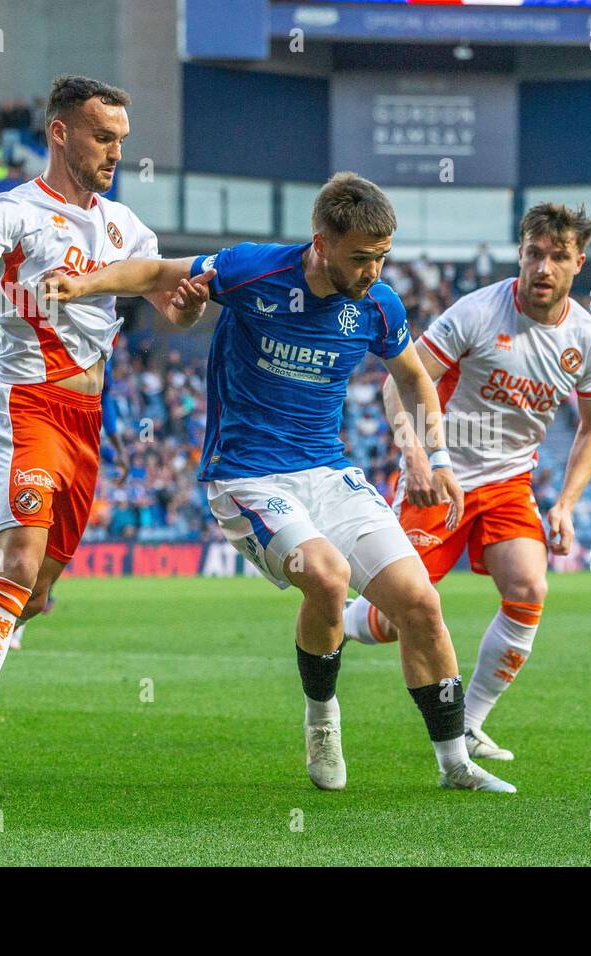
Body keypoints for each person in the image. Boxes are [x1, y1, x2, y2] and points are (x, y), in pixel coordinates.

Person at [39, 172, 515, 794]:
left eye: (383, 257)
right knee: (326, 575)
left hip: (327, 470)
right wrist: (82, 283)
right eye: (362, 258)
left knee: (420, 603)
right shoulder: (252, 270)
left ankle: (455, 763)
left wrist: (437, 456)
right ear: (320, 242)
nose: (374, 271)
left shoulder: (378, 305)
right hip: (246, 473)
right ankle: (322, 720)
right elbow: (155, 273)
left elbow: (414, 377)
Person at [0, 75, 209, 789]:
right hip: (25, 405)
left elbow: (169, 305)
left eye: (122, 139)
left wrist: (184, 308)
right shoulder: (14, 210)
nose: (115, 151)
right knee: (18, 562)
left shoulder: (130, 228)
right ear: (60, 132)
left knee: (33, 594)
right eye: (103, 136)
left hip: (89, 421)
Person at [342, 203, 591, 762]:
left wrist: (565, 504)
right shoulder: (478, 312)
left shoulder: (589, 341)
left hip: (511, 481)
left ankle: (469, 723)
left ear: (578, 264)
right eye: (534, 254)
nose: (543, 267)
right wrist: (414, 452)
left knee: (529, 589)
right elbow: (401, 382)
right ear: (520, 253)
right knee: (399, 619)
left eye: (557, 257)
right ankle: (341, 619)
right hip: (441, 476)